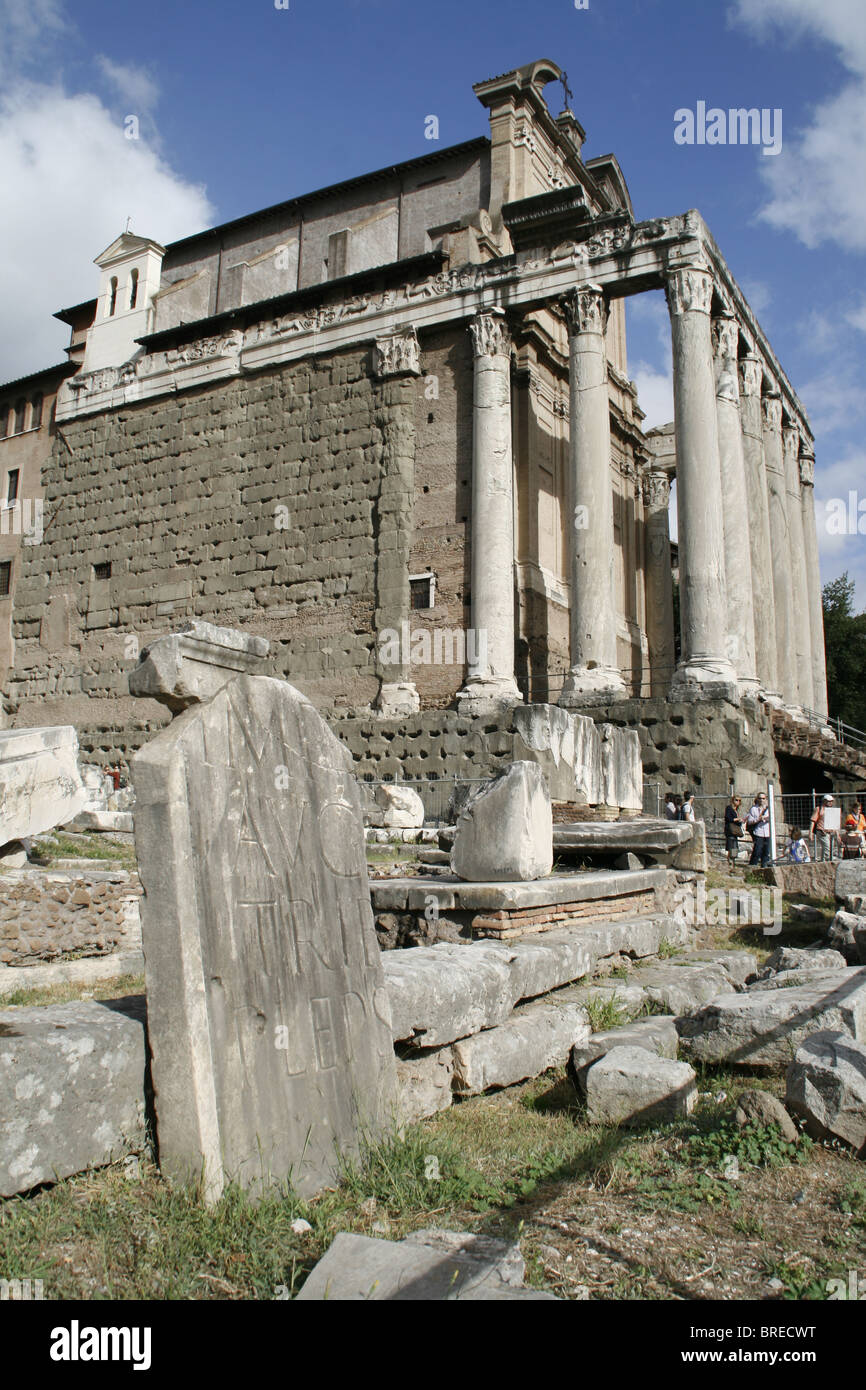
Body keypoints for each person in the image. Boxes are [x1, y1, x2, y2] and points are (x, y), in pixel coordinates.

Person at [746, 793, 771, 867]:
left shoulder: (769, 809)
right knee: (757, 850)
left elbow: (772, 818)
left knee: (766, 851)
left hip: (767, 832)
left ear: (766, 799)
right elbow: (750, 821)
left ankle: (764, 866)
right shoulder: (753, 809)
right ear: (757, 799)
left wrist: (767, 819)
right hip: (758, 832)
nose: (761, 800)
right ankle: (753, 865)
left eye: (763, 798)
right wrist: (758, 819)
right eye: (760, 798)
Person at [810, 794, 837, 862]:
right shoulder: (818, 809)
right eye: (829, 801)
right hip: (821, 831)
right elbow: (813, 821)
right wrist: (810, 833)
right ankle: (826, 861)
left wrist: (837, 834)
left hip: (830, 832)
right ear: (824, 801)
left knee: (828, 848)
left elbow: (835, 823)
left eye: (831, 801)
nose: (830, 802)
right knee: (827, 847)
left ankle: (823, 862)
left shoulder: (832, 810)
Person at [724, 795, 744, 865]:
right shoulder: (729, 808)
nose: (738, 802)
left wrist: (740, 821)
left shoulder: (736, 810)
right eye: (736, 800)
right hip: (730, 830)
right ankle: (730, 860)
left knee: (735, 846)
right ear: (733, 800)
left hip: (735, 831)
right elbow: (728, 818)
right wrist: (737, 819)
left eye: (739, 800)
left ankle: (733, 860)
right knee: (731, 846)